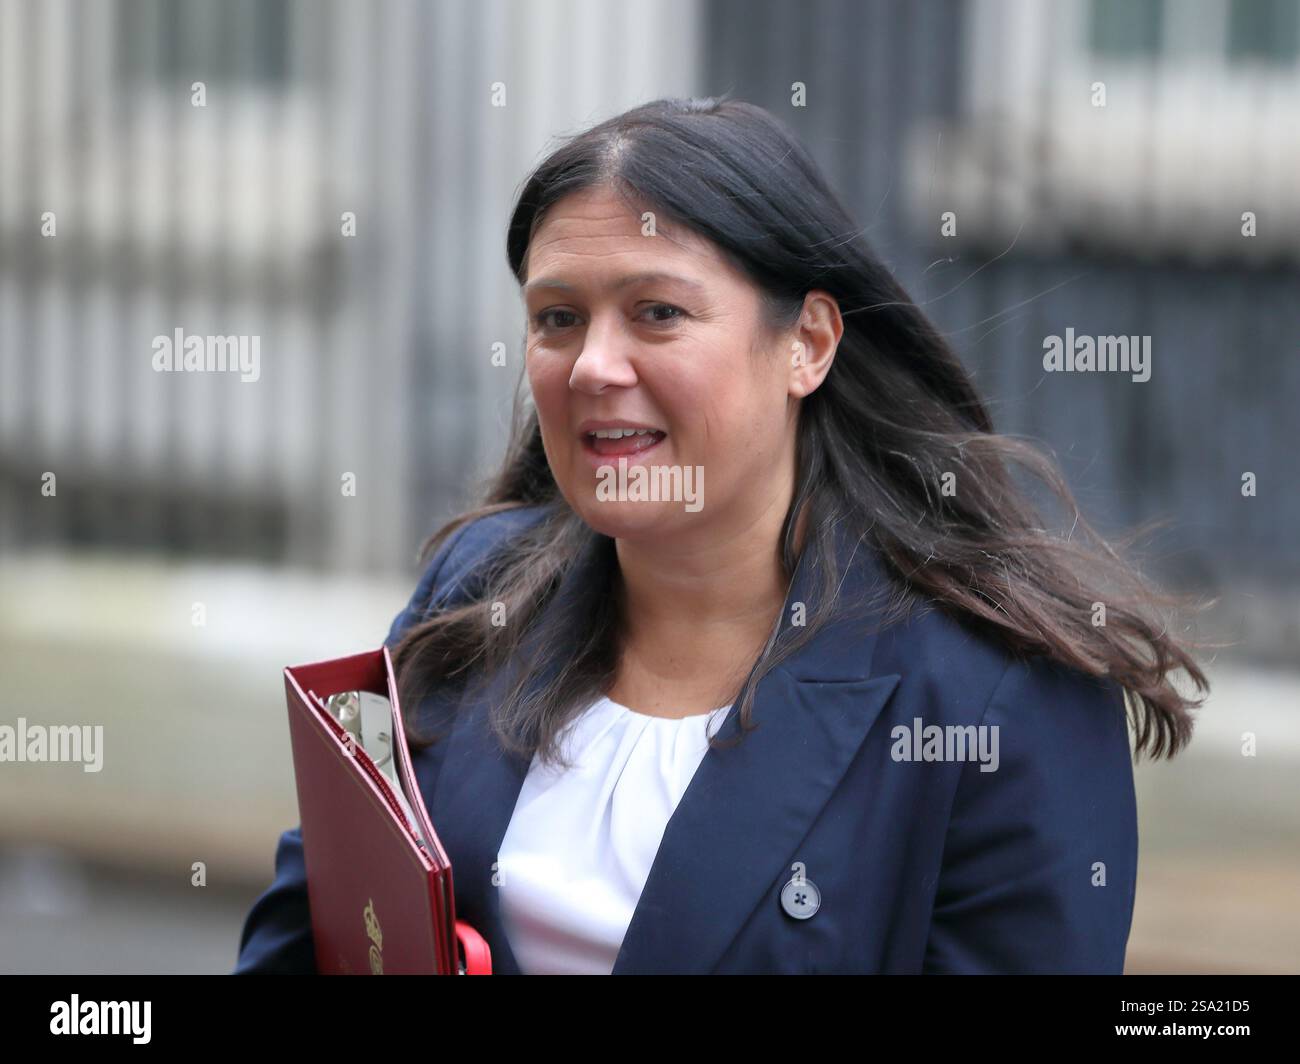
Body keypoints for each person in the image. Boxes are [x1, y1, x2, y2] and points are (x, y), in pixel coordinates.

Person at [234, 95, 1207, 975]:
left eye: (657, 312)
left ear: (808, 345)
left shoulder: (997, 696)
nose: (592, 366)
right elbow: (302, 940)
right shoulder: (473, 588)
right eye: (558, 317)